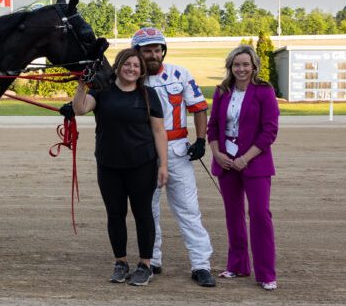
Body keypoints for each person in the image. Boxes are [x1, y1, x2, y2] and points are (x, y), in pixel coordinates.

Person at [73, 48, 168, 286]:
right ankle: (121, 262)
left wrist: (163, 165)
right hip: (109, 165)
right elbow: (80, 109)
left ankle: (145, 264)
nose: (131, 69)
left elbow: (159, 131)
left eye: (136, 66)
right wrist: (82, 85)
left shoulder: (148, 94)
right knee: (115, 214)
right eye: (127, 64)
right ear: (118, 66)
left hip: (142, 164)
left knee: (143, 214)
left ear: (141, 70)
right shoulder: (102, 91)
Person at [132, 27, 216, 287]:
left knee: (189, 210)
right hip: (145, 153)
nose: (153, 55)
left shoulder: (181, 74)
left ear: (163, 51)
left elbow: (199, 108)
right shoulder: (130, 77)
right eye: (147, 51)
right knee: (148, 211)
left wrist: (200, 140)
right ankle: (152, 260)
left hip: (178, 151)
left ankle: (201, 264)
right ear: (137, 53)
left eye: (157, 50)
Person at [207, 45, 280, 291]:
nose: (241, 69)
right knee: (233, 214)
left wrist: (245, 158)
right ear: (230, 67)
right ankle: (237, 265)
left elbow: (269, 131)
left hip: (255, 161)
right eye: (236, 65)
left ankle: (266, 273)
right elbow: (213, 126)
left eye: (245, 64)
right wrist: (217, 153)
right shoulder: (222, 91)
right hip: (226, 161)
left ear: (254, 66)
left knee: (260, 214)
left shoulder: (264, 91)